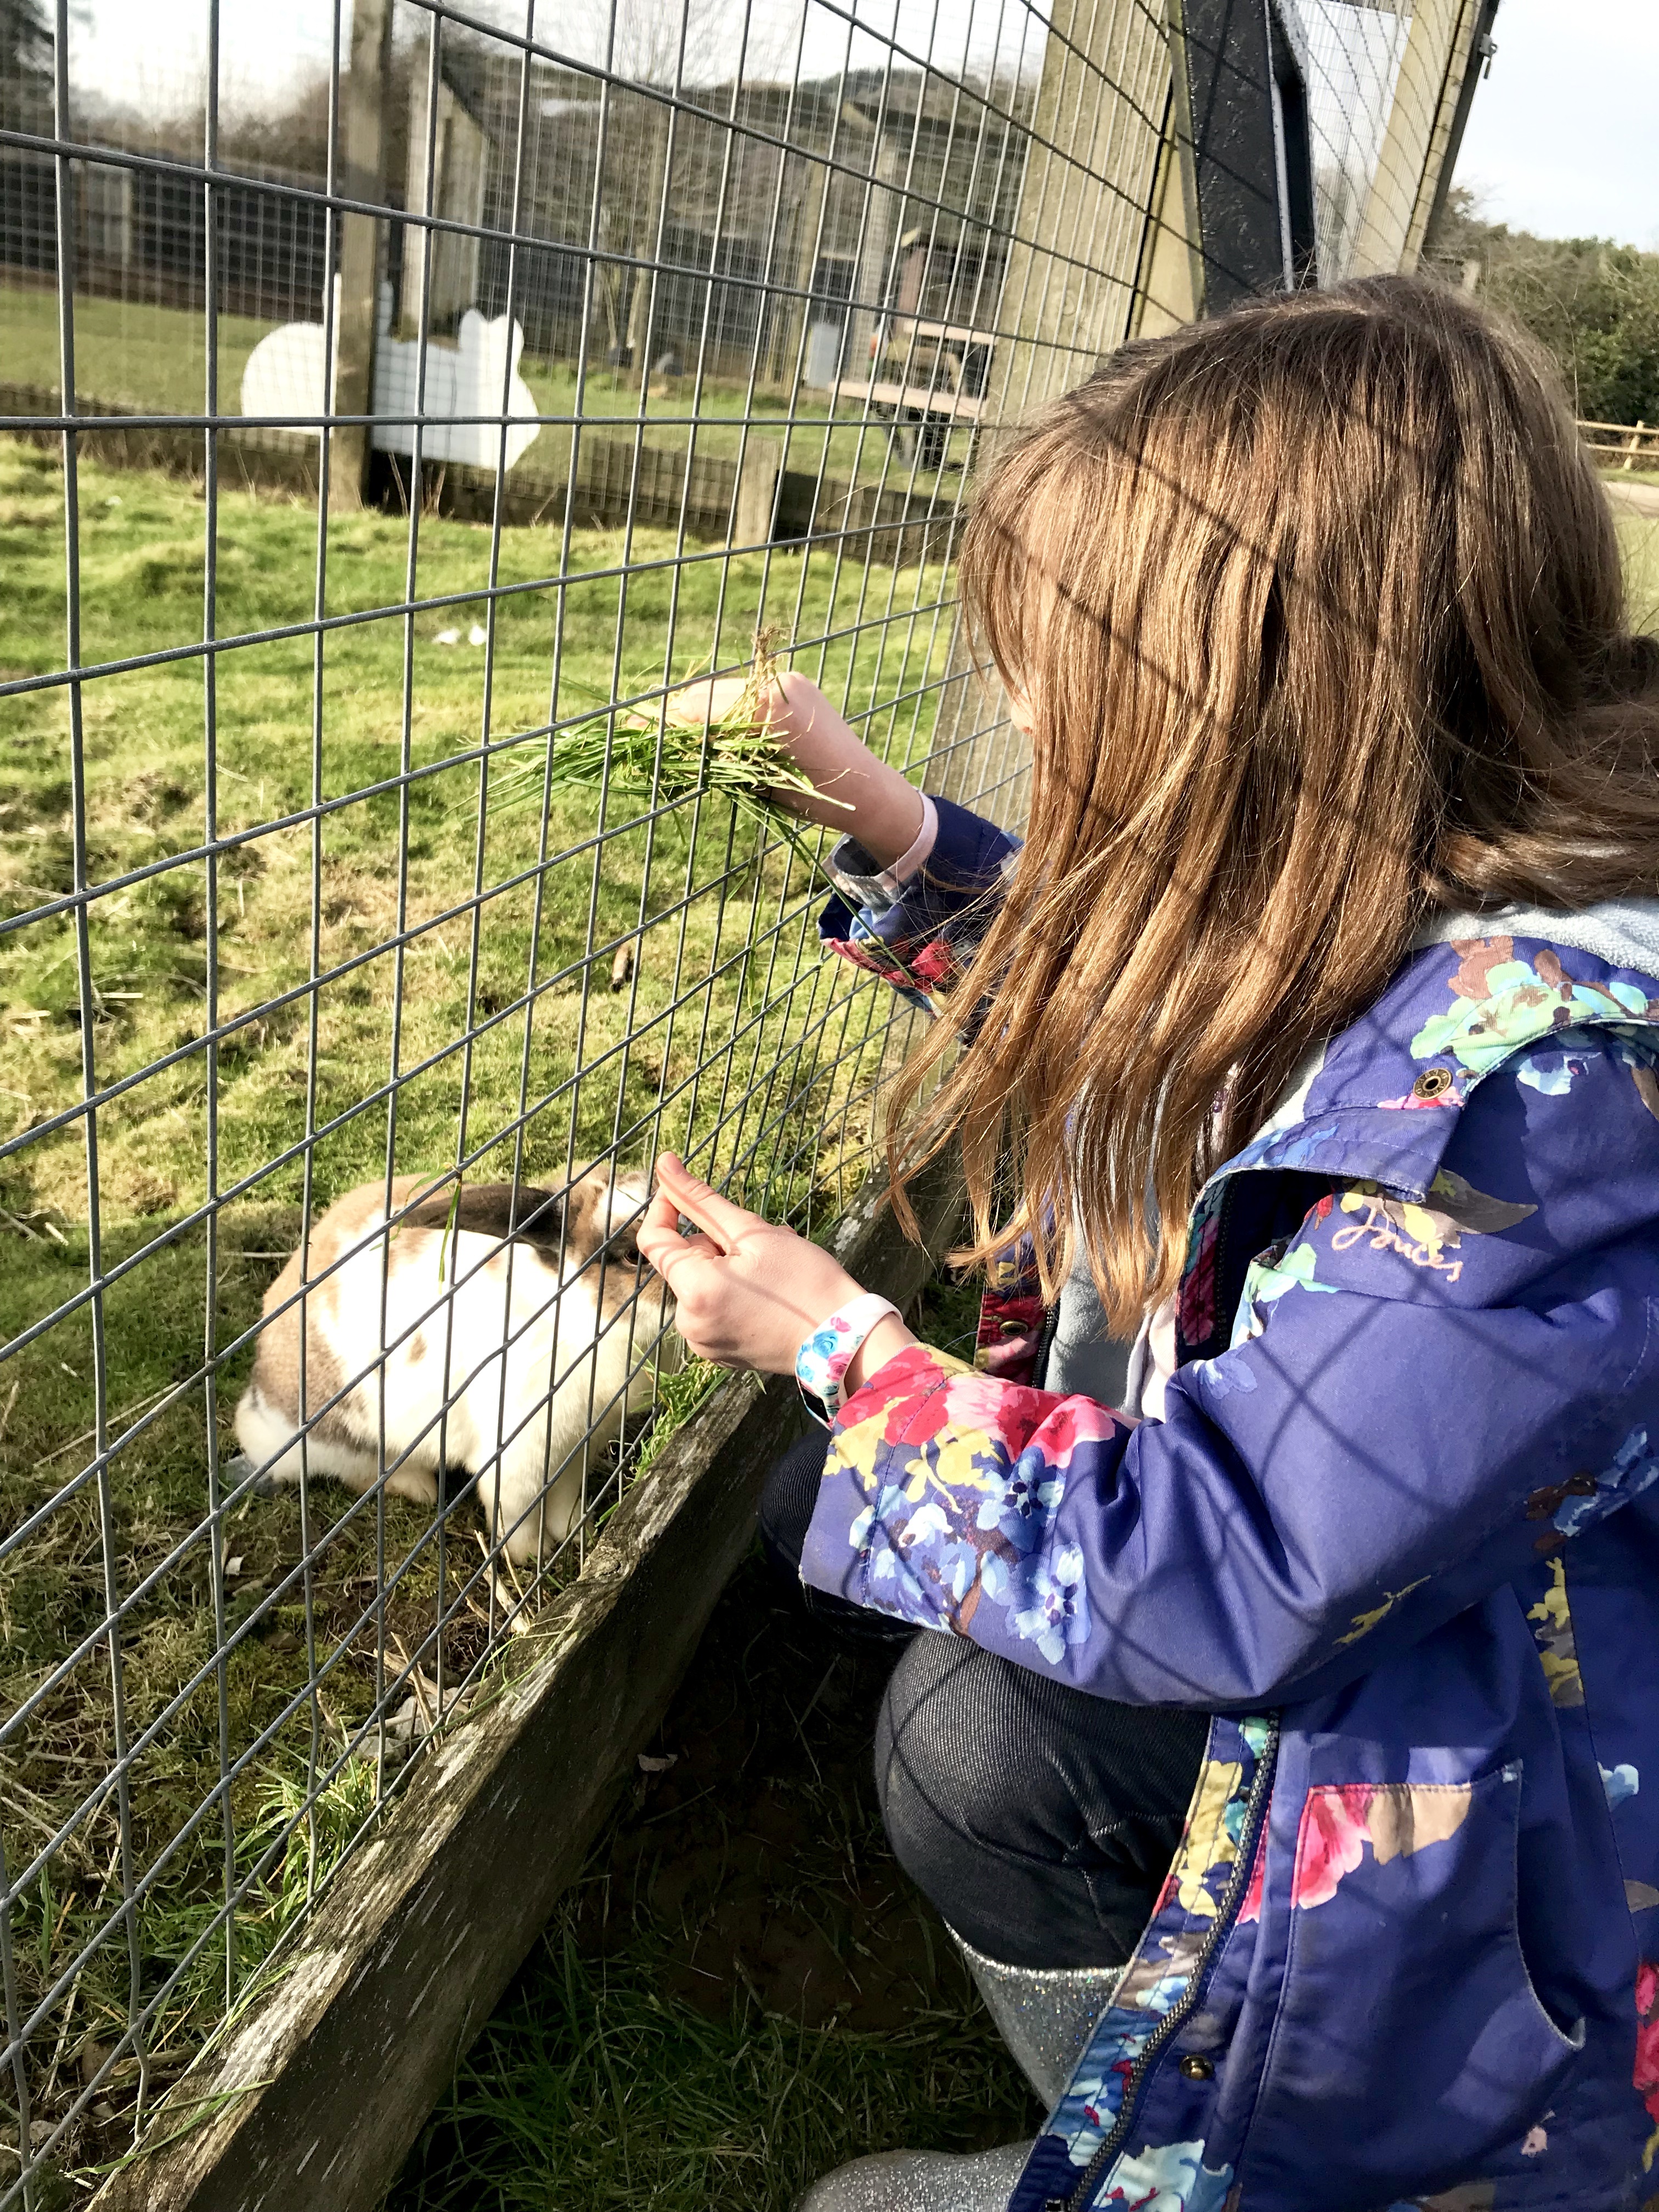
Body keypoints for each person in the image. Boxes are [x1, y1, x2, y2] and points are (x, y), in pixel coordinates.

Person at [638, 275, 1659, 2212]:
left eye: (1064, 670)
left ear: (1256, 703)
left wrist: (849, 1350)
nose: (1029, 710)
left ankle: (1195, 2164)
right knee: (912, 1633)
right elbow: (1232, 1033)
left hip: (1516, 1860)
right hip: (1480, 1665)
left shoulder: (1545, 1121)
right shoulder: (1483, 902)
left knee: (967, 1757)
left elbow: (1218, 1564)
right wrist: (914, 842)